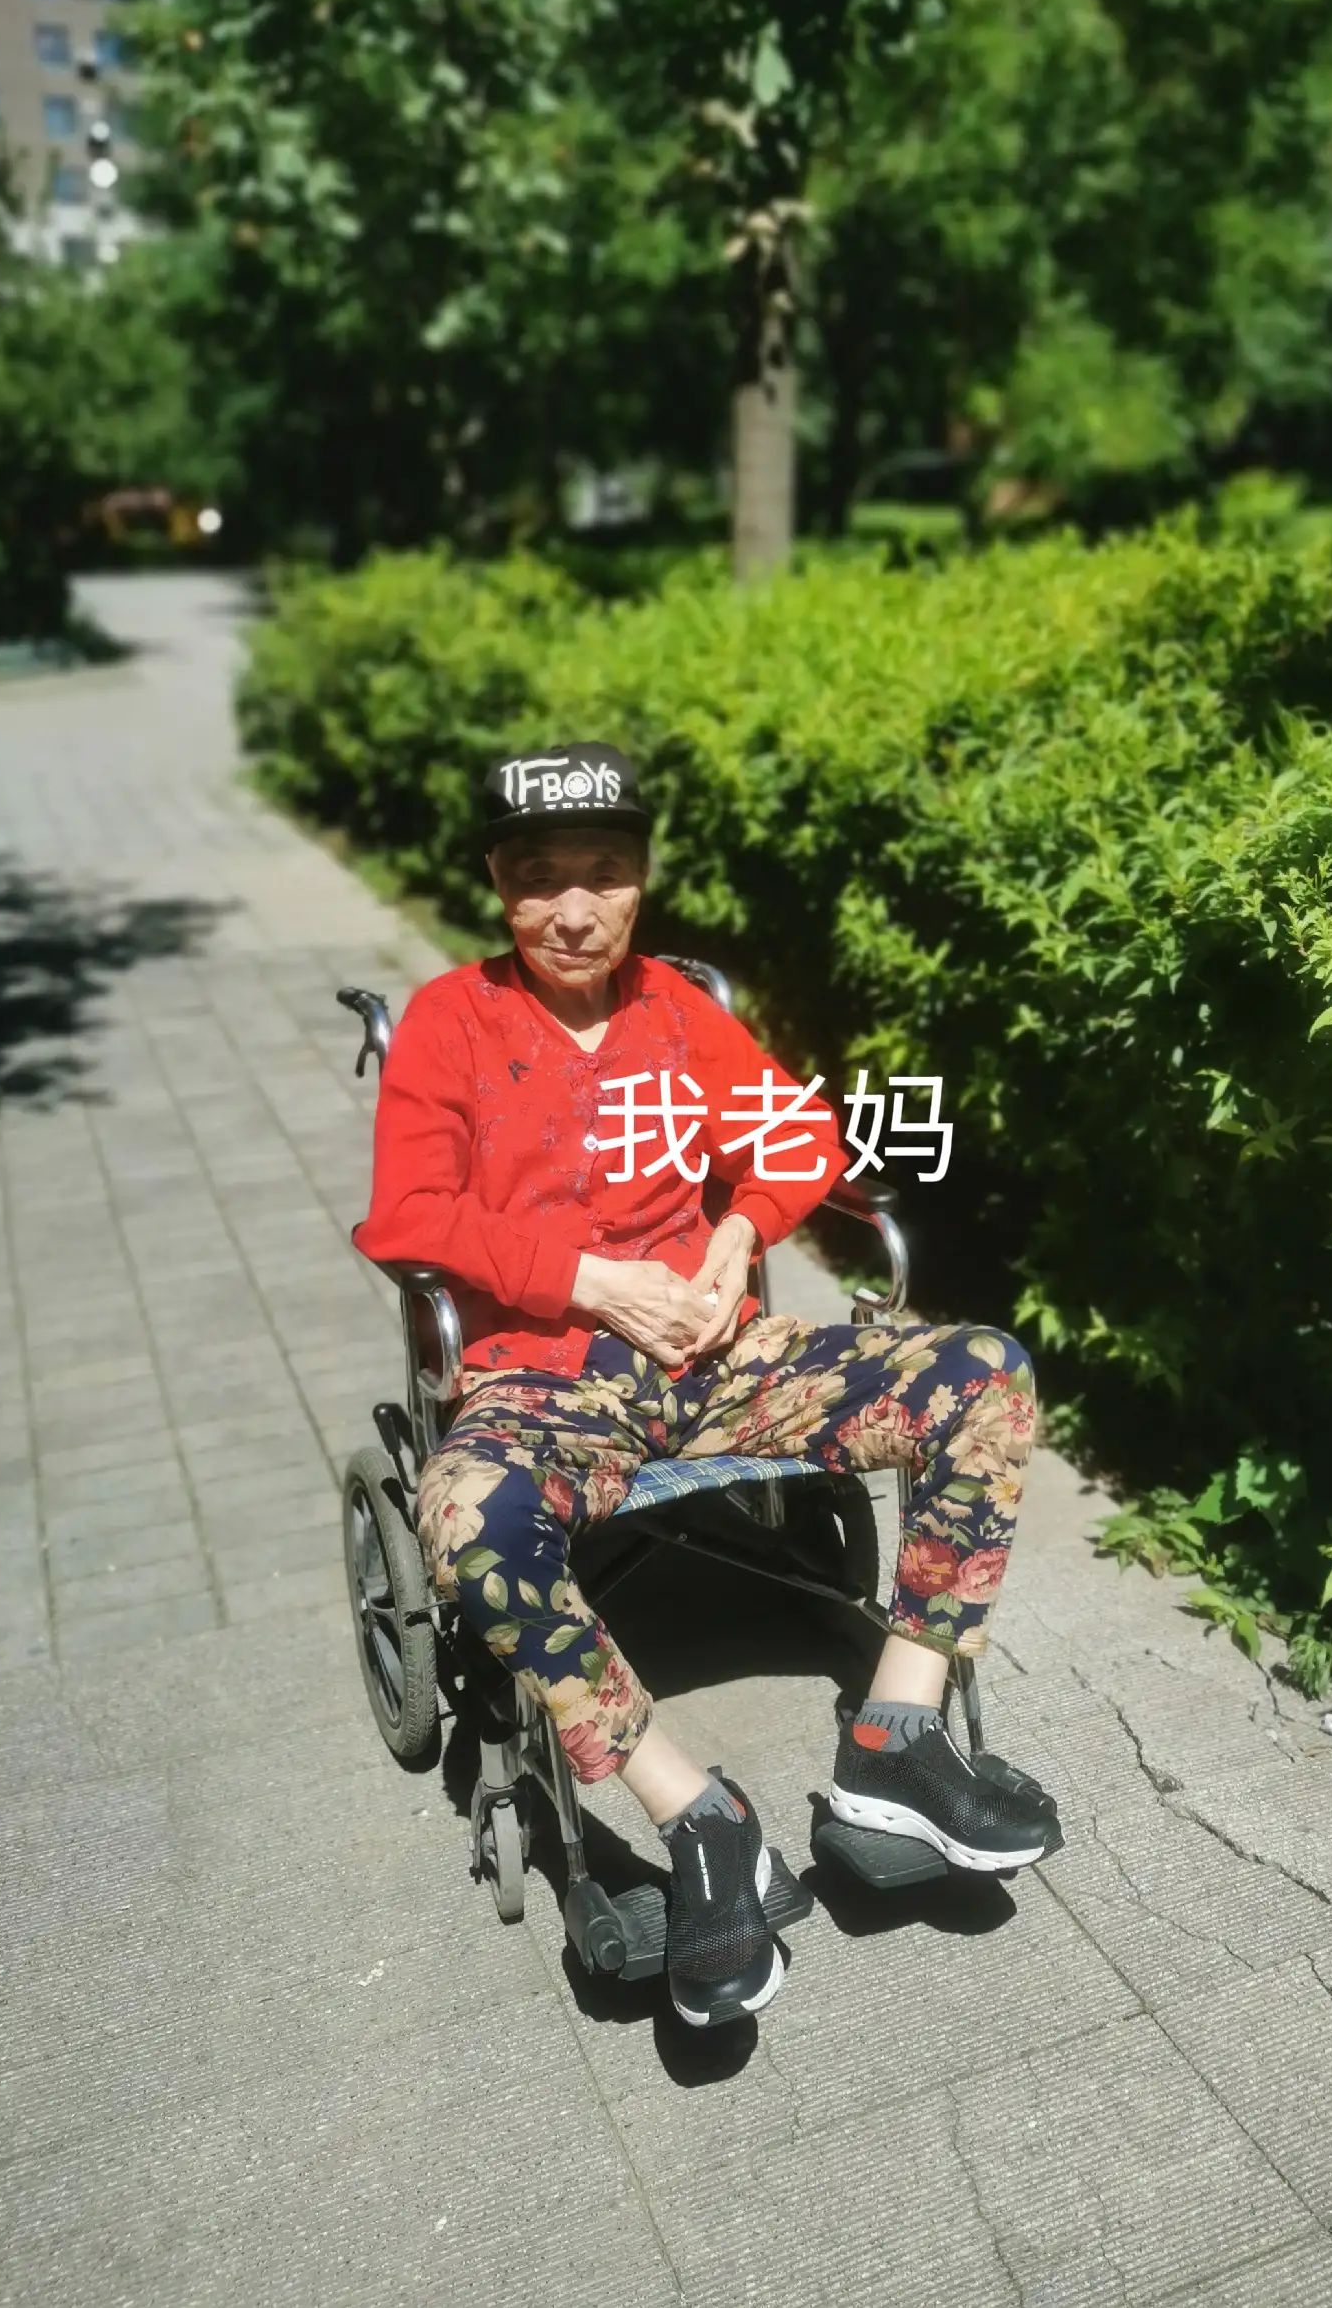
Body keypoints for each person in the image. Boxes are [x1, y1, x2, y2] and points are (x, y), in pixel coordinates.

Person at [355, 742, 1057, 2027]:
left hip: (721, 1362)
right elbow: (407, 1213)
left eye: (605, 874)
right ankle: (700, 1816)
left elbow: (800, 1136)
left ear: (640, 878)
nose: (576, 910)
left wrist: (736, 1236)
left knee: (982, 1375)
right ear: (500, 884)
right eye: (541, 878)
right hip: (548, 1384)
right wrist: (588, 1281)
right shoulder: (454, 1021)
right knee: (463, 1515)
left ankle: (895, 1740)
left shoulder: (676, 1009)